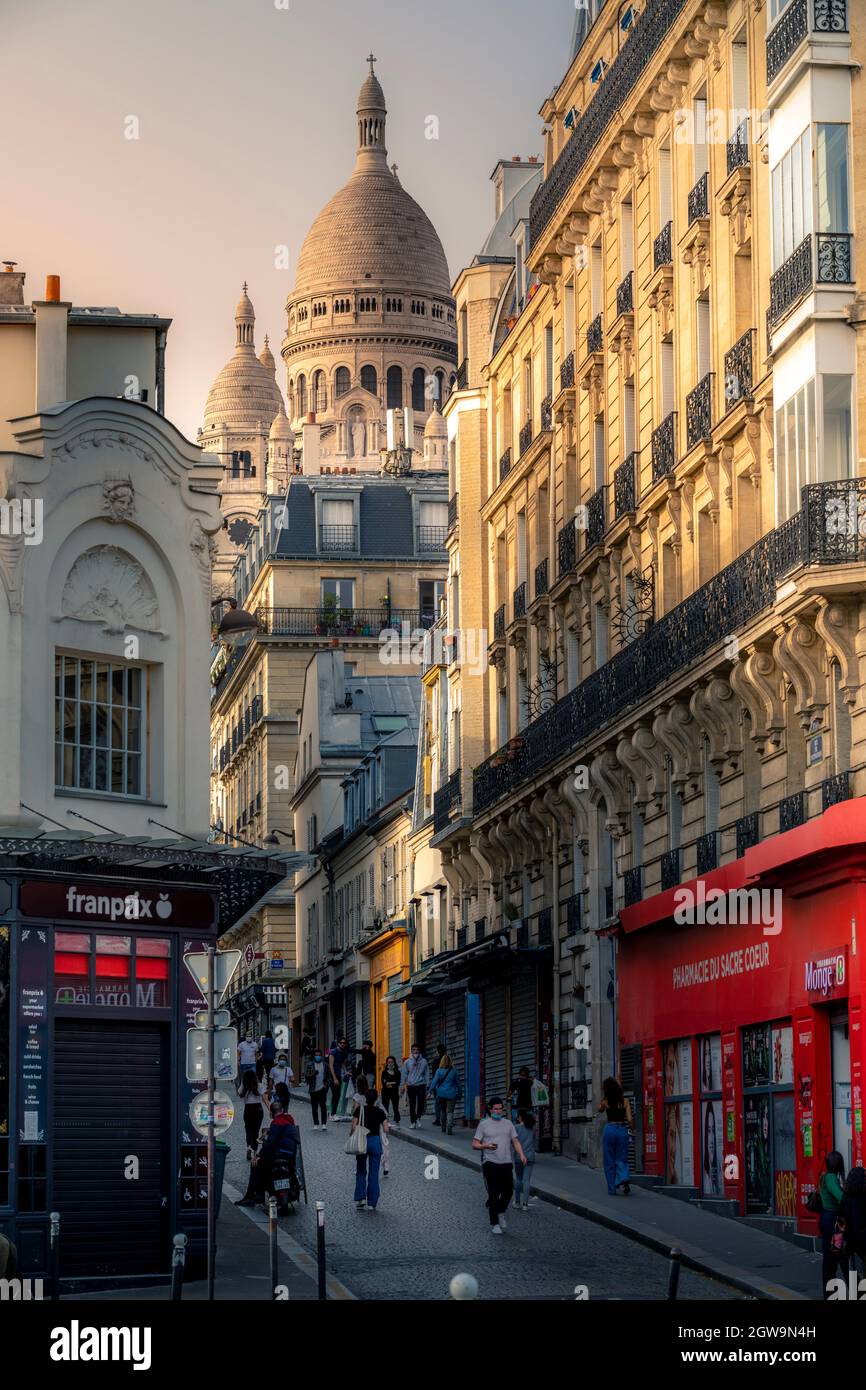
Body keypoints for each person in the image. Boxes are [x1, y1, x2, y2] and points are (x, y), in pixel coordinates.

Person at [472, 1097, 526, 1235]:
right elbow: (475, 1144)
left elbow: (515, 1141)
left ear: (503, 1109)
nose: (498, 1111)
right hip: (490, 1163)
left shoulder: (508, 1124)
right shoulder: (484, 1125)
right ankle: (494, 1223)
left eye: (500, 1108)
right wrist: (486, 1146)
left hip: (506, 1162)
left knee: (508, 1191)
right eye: (495, 1109)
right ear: (490, 1110)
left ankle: (501, 1211)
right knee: (494, 1193)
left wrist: (521, 1154)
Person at [237, 1101, 300, 1209]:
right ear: (282, 1110)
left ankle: (253, 1197)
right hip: (290, 1155)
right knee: (262, 1166)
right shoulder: (289, 1121)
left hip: (278, 1153)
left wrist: (258, 1156)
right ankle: (260, 1196)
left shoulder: (277, 1122)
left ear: (271, 1113)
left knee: (255, 1165)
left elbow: (269, 1143)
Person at [351, 1086, 389, 1211]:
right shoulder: (380, 1112)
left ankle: (360, 1199)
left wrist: (351, 1135)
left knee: (361, 1170)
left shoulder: (359, 1110)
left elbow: (353, 1127)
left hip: (362, 1141)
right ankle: (372, 1202)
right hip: (375, 1142)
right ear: (376, 1099)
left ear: (365, 1099)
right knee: (374, 1173)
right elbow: (386, 1128)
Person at [818, 1150, 848, 1296]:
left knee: (829, 1259)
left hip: (826, 1219)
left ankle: (830, 1293)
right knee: (840, 1257)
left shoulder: (824, 1176)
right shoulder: (830, 1178)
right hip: (833, 1222)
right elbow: (840, 1197)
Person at [598, 1076, 632, 1196]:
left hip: (610, 1130)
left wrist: (603, 1103)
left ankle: (612, 1189)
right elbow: (629, 1119)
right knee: (621, 1158)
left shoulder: (606, 1101)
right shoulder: (625, 1101)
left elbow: (599, 1109)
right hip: (622, 1130)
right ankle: (624, 1177)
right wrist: (632, 1129)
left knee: (609, 1160)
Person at [840, 1164, 866, 1274]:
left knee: (853, 1268)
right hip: (862, 1239)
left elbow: (841, 1219)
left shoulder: (845, 1197)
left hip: (850, 1240)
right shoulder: (863, 1197)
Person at [238, 1067, 268, 1158]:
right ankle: (255, 1151)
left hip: (248, 1109)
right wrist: (270, 1109)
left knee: (248, 1129)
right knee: (256, 1131)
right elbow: (265, 1099)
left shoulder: (244, 1086)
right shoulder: (259, 1085)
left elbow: (239, 1094)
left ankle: (249, 1147)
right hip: (258, 1108)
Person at [429, 1053, 461, 1134]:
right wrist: (460, 1093)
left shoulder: (439, 1071)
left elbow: (434, 1082)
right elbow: (458, 1084)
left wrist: (430, 1091)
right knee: (450, 1111)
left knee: (443, 1110)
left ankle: (443, 1127)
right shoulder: (454, 1071)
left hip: (441, 1094)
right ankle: (449, 1125)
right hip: (451, 1094)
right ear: (450, 1061)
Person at [400, 1043, 431, 1129]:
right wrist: (402, 1086)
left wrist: (428, 1086)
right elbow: (404, 1074)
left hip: (421, 1084)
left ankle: (418, 1117)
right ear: (411, 1051)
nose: (415, 1051)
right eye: (414, 1050)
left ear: (419, 1051)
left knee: (421, 1102)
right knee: (412, 1104)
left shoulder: (424, 1061)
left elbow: (427, 1074)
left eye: (417, 1050)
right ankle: (413, 1122)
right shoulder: (407, 1062)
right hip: (411, 1085)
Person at [512, 1111, 537, 1210]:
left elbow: (513, 1142)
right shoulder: (532, 1129)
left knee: (518, 1179)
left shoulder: (516, 1128)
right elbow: (533, 1141)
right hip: (530, 1156)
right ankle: (525, 1204)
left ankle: (517, 1202)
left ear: (520, 1117)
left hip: (519, 1156)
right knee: (526, 1180)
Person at [306, 1046, 329, 1129]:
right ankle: (316, 1123)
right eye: (316, 1055)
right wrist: (313, 1074)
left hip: (323, 1088)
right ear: (314, 1056)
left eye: (319, 1055)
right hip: (313, 1089)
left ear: (321, 1056)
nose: (318, 1056)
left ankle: (324, 1123)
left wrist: (326, 1086)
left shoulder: (325, 1065)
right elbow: (307, 1077)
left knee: (323, 1106)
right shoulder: (310, 1065)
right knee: (314, 1107)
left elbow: (328, 1077)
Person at [328, 1036, 350, 1120]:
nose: (342, 1044)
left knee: (338, 1095)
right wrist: (334, 1078)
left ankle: (332, 1113)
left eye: (344, 1043)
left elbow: (342, 1063)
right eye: (341, 1043)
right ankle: (332, 1114)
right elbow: (330, 1065)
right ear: (338, 1043)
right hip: (332, 1075)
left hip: (338, 1075)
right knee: (335, 1094)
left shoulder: (344, 1053)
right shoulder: (333, 1052)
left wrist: (346, 1071)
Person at [380, 1055, 401, 1124]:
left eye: (391, 1062)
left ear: (394, 1063)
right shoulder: (384, 1072)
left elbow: (397, 1082)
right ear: (387, 1063)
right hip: (385, 1092)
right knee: (385, 1106)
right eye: (388, 1062)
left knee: (395, 1106)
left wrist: (389, 1083)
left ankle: (397, 1120)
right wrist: (392, 1083)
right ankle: (385, 1120)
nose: (390, 1064)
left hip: (394, 1092)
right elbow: (383, 1082)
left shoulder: (398, 1072)